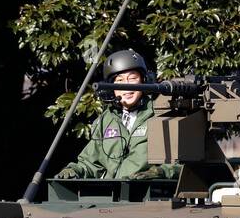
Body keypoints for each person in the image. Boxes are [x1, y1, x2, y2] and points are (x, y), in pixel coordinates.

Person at [53, 49, 178, 181]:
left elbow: (182, 164)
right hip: (113, 195)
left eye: (132, 79)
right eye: (120, 80)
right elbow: (90, 163)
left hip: (150, 195)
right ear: (111, 87)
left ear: (144, 80)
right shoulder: (105, 120)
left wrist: (160, 172)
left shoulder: (161, 115)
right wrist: (74, 170)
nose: (127, 87)